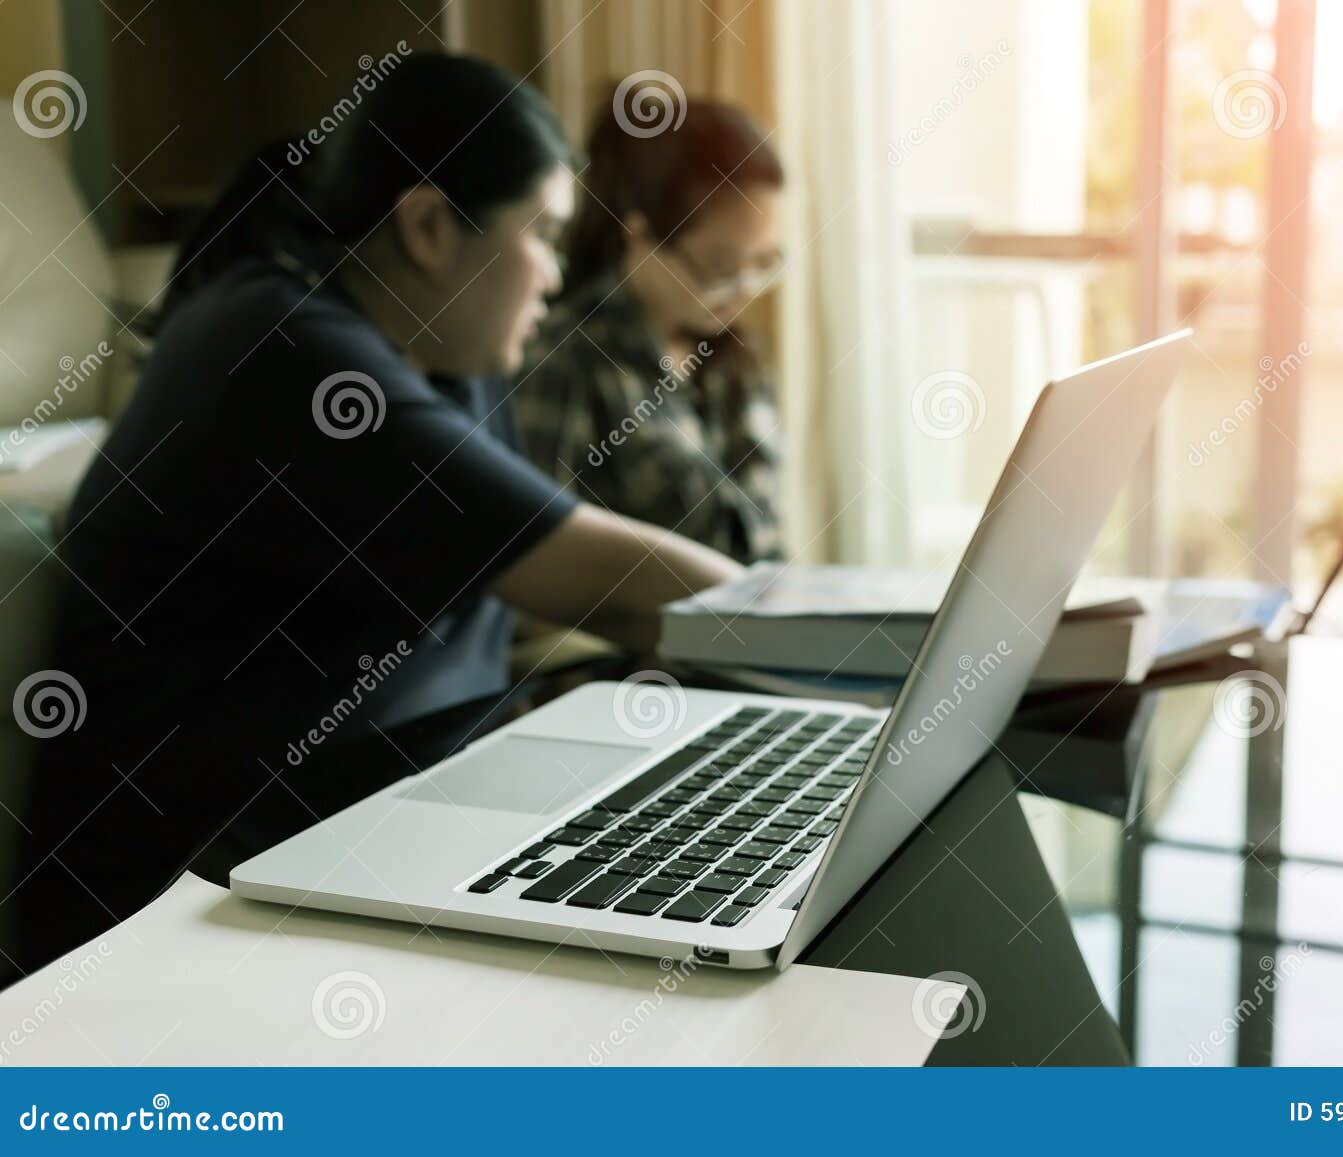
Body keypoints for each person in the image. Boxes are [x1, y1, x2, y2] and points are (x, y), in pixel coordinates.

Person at [5, 54, 742, 979]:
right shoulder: (290, 353)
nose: (555, 275)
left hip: (369, 813)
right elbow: (618, 579)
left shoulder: (450, 341)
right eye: (545, 235)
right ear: (430, 225)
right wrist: (833, 643)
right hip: (186, 904)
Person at [514, 97, 786, 564]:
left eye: (763, 264)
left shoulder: (736, 358)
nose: (743, 292)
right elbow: (531, 558)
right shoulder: (567, 356)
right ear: (639, 235)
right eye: (719, 267)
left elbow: (764, 537)